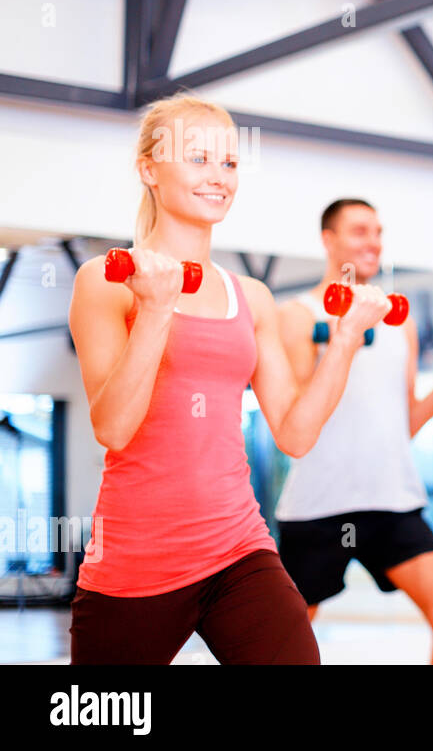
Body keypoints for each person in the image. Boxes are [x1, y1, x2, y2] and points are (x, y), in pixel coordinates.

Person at [66, 95, 391, 664]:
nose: (218, 177)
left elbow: (294, 434)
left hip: (238, 550)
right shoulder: (105, 281)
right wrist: (157, 311)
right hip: (135, 564)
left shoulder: (253, 298)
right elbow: (113, 428)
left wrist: (344, 341)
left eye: (229, 163)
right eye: (198, 159)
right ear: (149, 170)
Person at [276, 199, 433, 664]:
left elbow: (406, 422)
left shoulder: (400, 321)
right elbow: (296, 420)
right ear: (328, 240)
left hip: (392, 500)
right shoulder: (297, 315)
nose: (373, 242)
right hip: (319, 504)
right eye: (359, 231)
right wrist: (342, 338)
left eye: (377, 232)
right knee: (288, 638)